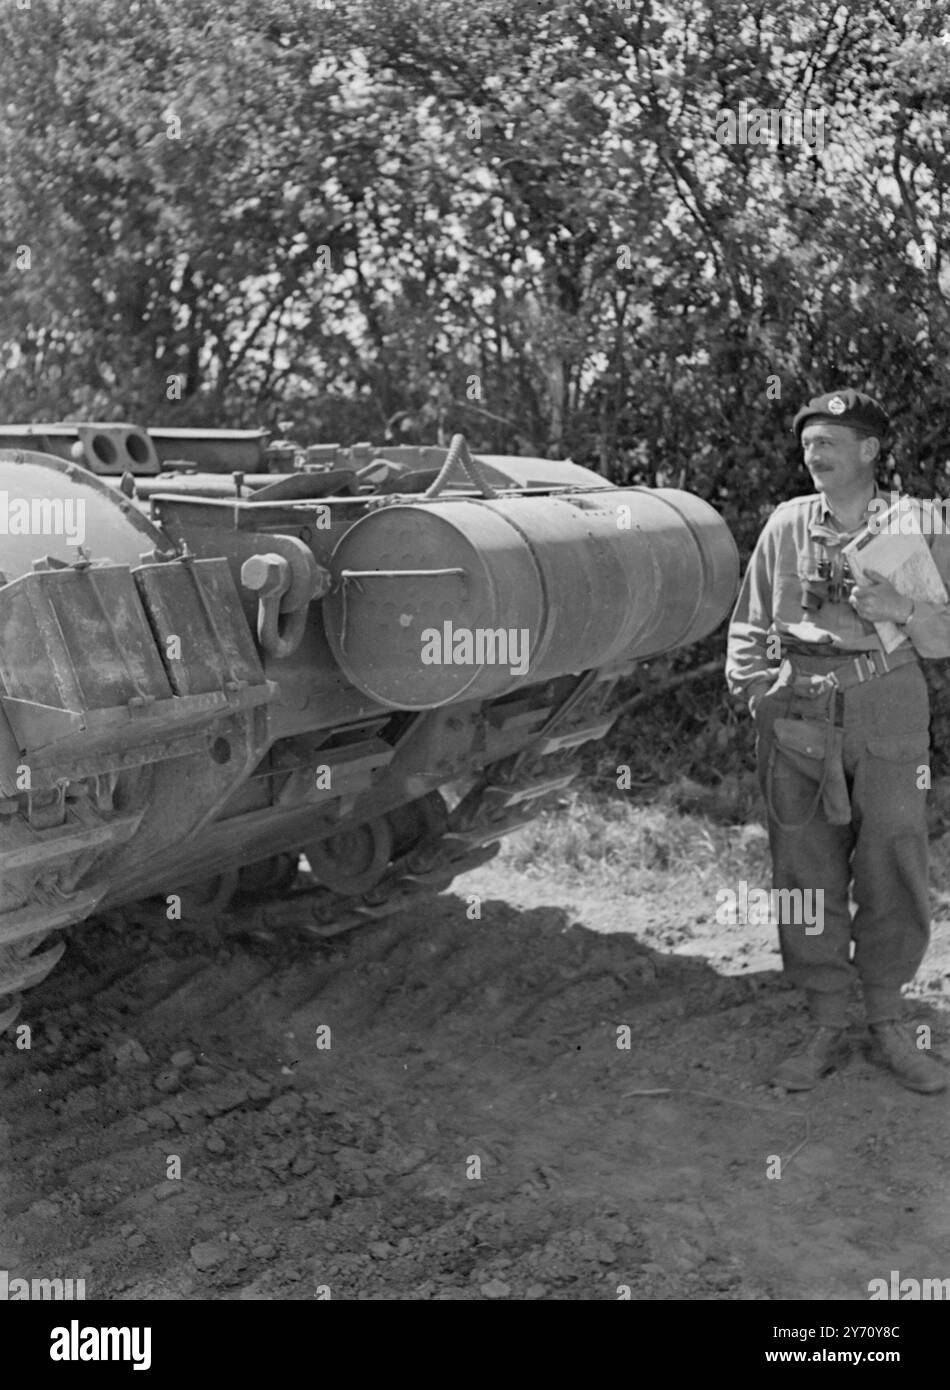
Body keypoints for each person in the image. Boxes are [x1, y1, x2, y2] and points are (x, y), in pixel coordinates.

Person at [726, 388, 949, 1093]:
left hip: (887, 701)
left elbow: (941, 641)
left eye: (828, 442)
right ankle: (825, 1021)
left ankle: (887, 1023)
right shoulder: (788, 524)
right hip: (799, 706)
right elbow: (747, 624)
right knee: (803, 866)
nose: (812, 455)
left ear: (871, 451)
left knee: (893, 856)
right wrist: (757, 694)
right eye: (807, 444)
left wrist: (902, 607)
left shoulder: (917, 524)